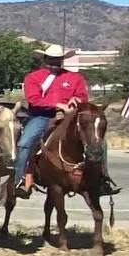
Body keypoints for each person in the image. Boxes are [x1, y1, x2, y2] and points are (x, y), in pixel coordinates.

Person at [14, 44, 120, 199]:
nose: (54, 63)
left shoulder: (75, 77)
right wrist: (57, 105)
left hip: (70, 116)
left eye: (57, 60)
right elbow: (34, 99)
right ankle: (21, 181)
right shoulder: (33, 77)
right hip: (42, 116)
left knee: (99, 142)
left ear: (62, 60)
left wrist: (76, 100)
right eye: (51, 59)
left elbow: (83, 97)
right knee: (25, 143)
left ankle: (102, 179)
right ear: (44, 59)